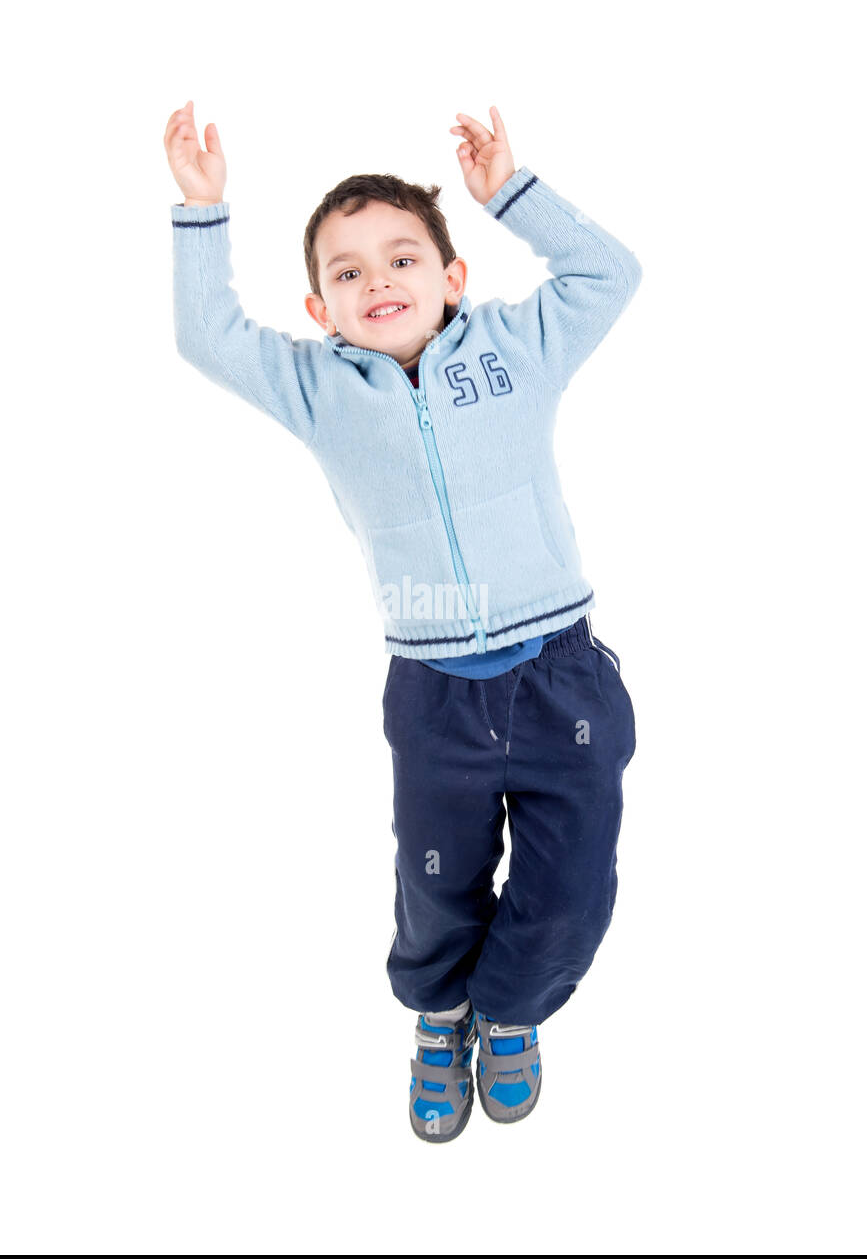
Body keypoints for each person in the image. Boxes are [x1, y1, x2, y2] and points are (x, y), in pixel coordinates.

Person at [164, 100, 642, 1143]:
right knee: (436, 884)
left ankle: (511, 1008)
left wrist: (510, 194)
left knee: (571, 888)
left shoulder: (519, 347)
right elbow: (204, 335)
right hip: (433, 697)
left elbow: (611, 274)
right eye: (347, 273)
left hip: (561, 675)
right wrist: (203, 210)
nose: (377, 281)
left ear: (451, 278)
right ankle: (442, 1008)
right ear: (320, 307)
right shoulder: (315, 388)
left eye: (401, 259)